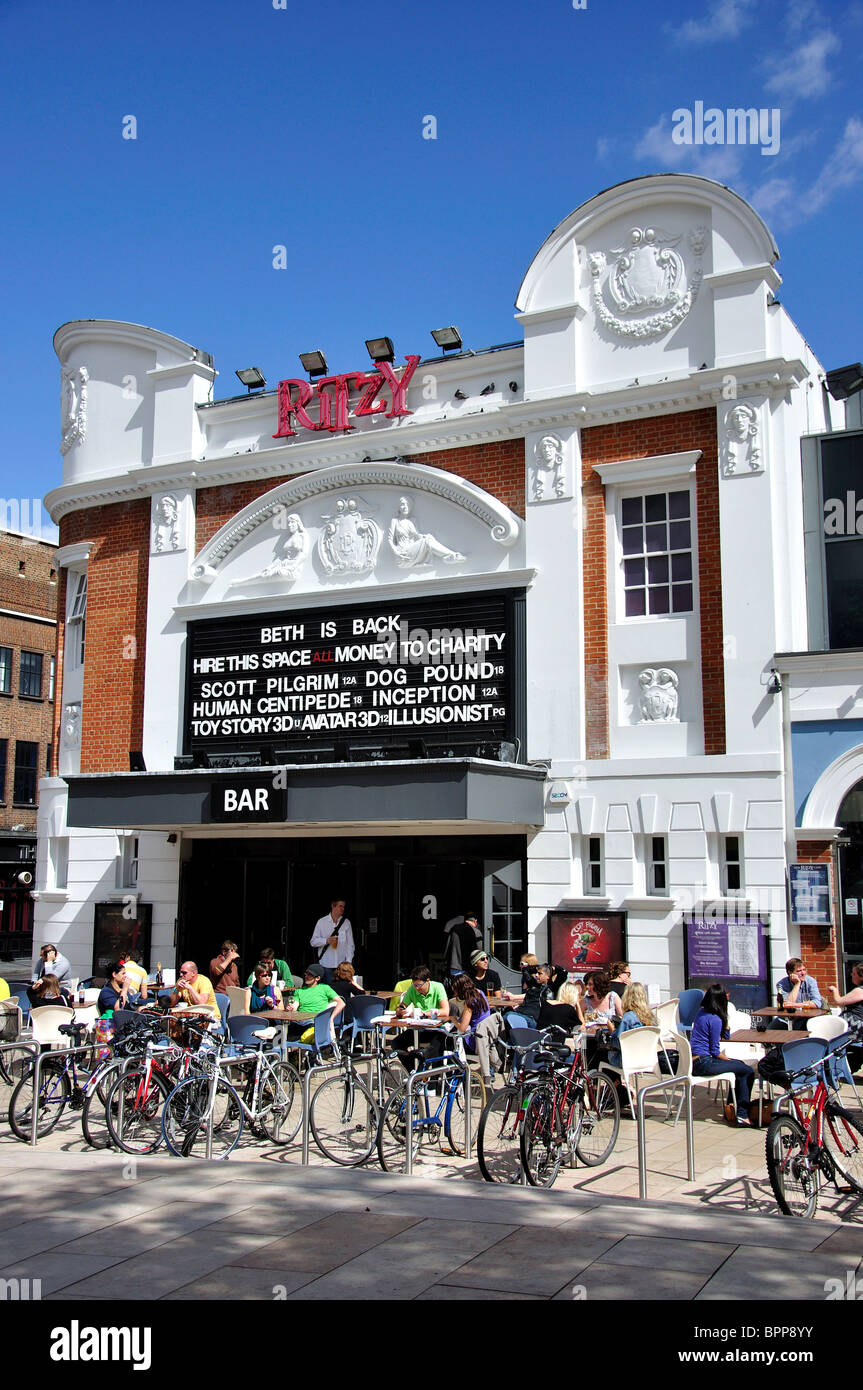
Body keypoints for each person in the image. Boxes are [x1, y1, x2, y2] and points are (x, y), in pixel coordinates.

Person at [690, 982, 754, 1126]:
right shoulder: (715, 1019)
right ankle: (742, 1114)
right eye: (726, 994)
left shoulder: (702, 1013)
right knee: (747, 1070)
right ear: (720, 999)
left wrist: (725, 1020)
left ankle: (731, 1110)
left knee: (741, 1067)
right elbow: (715, 1051)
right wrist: (729, 1060)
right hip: (703, 1062)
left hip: (695, 1060)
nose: (728, 996)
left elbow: (725, 1036)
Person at [451, 974, 505, 1088]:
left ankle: (456, 1079)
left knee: (449, 1045)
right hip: (487, 1037)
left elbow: (462, 1028)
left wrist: (452, 1019)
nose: (455, 994)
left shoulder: (469, 1003)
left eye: (455, 991)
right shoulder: (480, 993)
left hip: (476, 1040)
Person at [606, 981, 655, 1069]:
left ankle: (613, 1082)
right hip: (647, 1058)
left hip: (627, 1060)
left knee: (605, 1051)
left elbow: (619, 1043)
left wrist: (612, 1031)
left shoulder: (628, 1017)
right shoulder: (651, 1017)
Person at [828, 962, 863, 1075]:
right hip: (857, 1026)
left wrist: (834, 990)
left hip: (856, 1026)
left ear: (861, 976)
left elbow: (839, 1001)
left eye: (853, 973)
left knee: (826, 1036)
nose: (851, 975)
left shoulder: (860, 991)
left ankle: (831, 1067)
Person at [310, 899, 354, 982]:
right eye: (340, 906)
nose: (342, 909)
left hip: (342, 966)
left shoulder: (346, 922)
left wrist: (348, 962)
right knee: (328, 991)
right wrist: (326, 941)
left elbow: (350, 945)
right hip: (326, 965)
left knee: (342, 992)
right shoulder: (322, 922)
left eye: (343, 907)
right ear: (333, 906)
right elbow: (313, 942)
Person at [502, 962, 554, 1030]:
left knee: (507, 1016)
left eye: (540, 973)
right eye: (536, 973)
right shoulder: (534, 985)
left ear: (548, 976)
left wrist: (547, 967)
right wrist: (537, 967)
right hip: (521, 1014)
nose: (536, 975)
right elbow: (525, 970)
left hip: (530, 1019)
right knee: (505, 1013)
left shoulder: (548, 991)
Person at [774, 957, 822, 1031]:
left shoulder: (811, 981)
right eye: (799, 971)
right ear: (790, 973)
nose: (803, 973)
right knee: (771, 1029)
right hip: (787, 1018)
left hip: (807, 1017)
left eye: (804, 970)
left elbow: (817, 1003)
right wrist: (797, 984)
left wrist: (796, 1005)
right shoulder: (781, 984)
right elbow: (787, 1005)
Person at [443, 913, 483, 986]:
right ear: (475, 921)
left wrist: (446, 963)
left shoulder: (454, 929)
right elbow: (479, 952)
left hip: (454, 967)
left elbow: (447, 948)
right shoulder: (476, 932)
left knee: (457, 990)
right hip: (469, 969)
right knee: (468, 991)